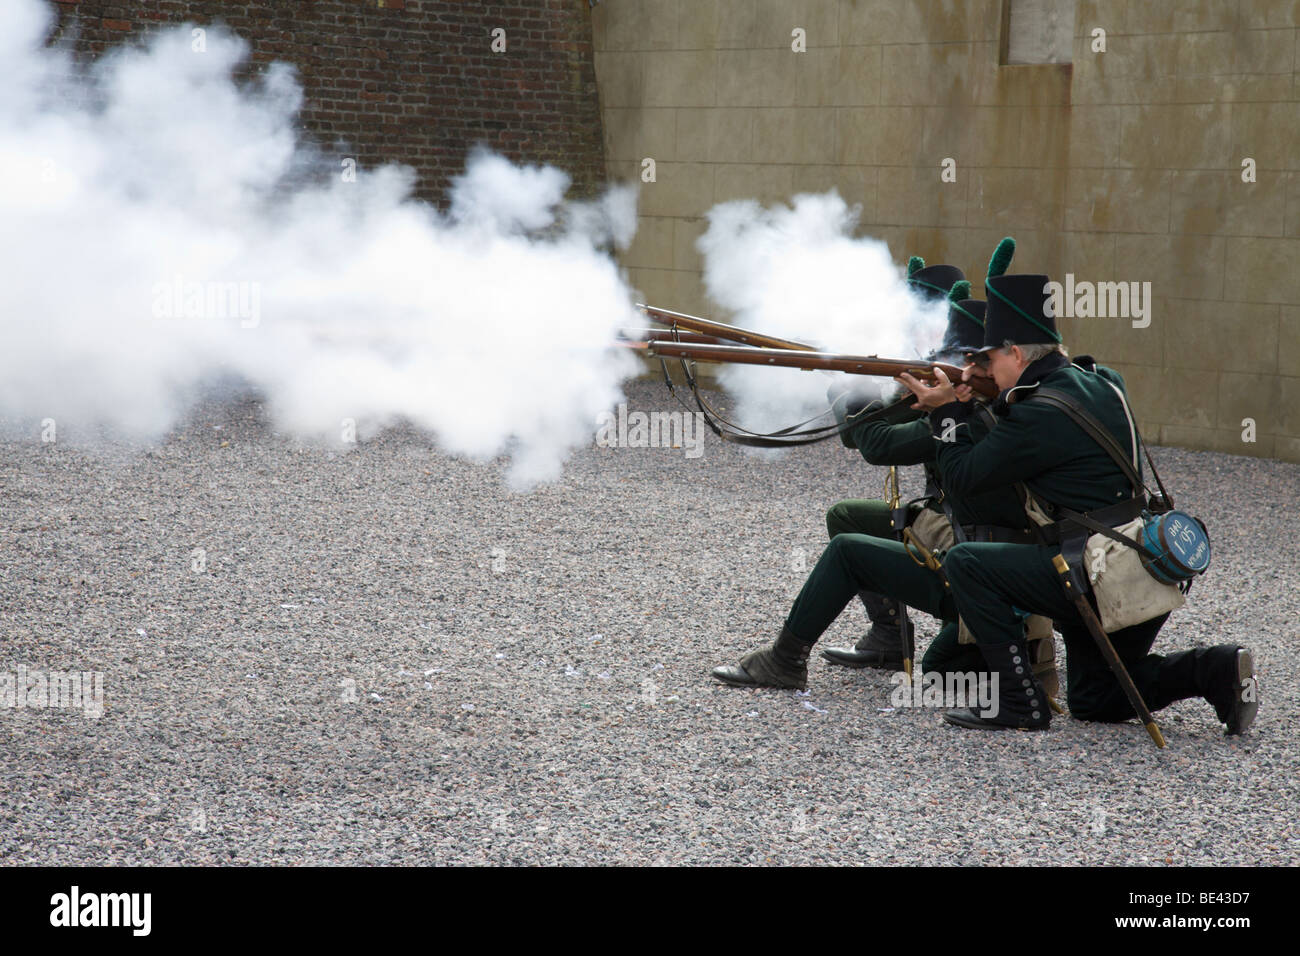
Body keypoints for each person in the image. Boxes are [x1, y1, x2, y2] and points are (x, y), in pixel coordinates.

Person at [896, 252, 1259, 735]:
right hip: (1142, 561)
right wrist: (984, 398)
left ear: (1016, 354)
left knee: (967, 562)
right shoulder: (1102, 381)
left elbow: (962, 478)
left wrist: (944, 412)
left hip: (1093, 572)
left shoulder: (1036, 413)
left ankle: (1018, 702)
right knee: (1095, 697)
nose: (980, 366)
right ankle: (1213, 668)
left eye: (986, 358)